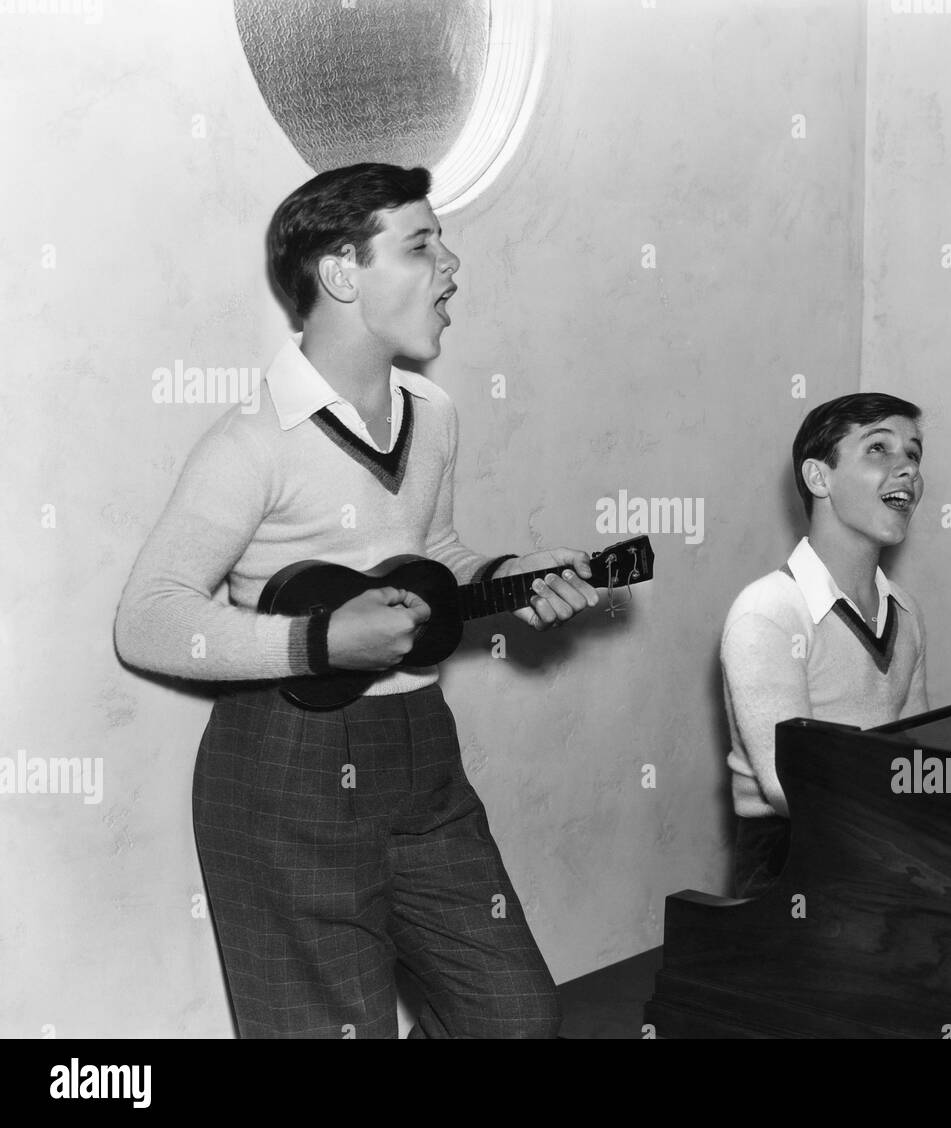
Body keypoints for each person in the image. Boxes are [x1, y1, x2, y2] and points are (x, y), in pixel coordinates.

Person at [114, 163, 598, 1038]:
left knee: (514, 1013)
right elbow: (149, 617)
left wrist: (510, 573)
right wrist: (319, 642)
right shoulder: (255, 442)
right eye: (421, 244)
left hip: (421, 754)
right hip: (284, 768)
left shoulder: (436, 414)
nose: (452, 263)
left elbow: (429, 558)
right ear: (341, 273)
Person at [720, 393, 929, 898]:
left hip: (884, 836)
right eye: (878, 449)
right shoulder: (768, 610)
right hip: (788, 860)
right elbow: (787, 784)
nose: (907, 469)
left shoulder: (904, 608)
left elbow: (918, 752)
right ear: (819, 478)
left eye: (914, 454)